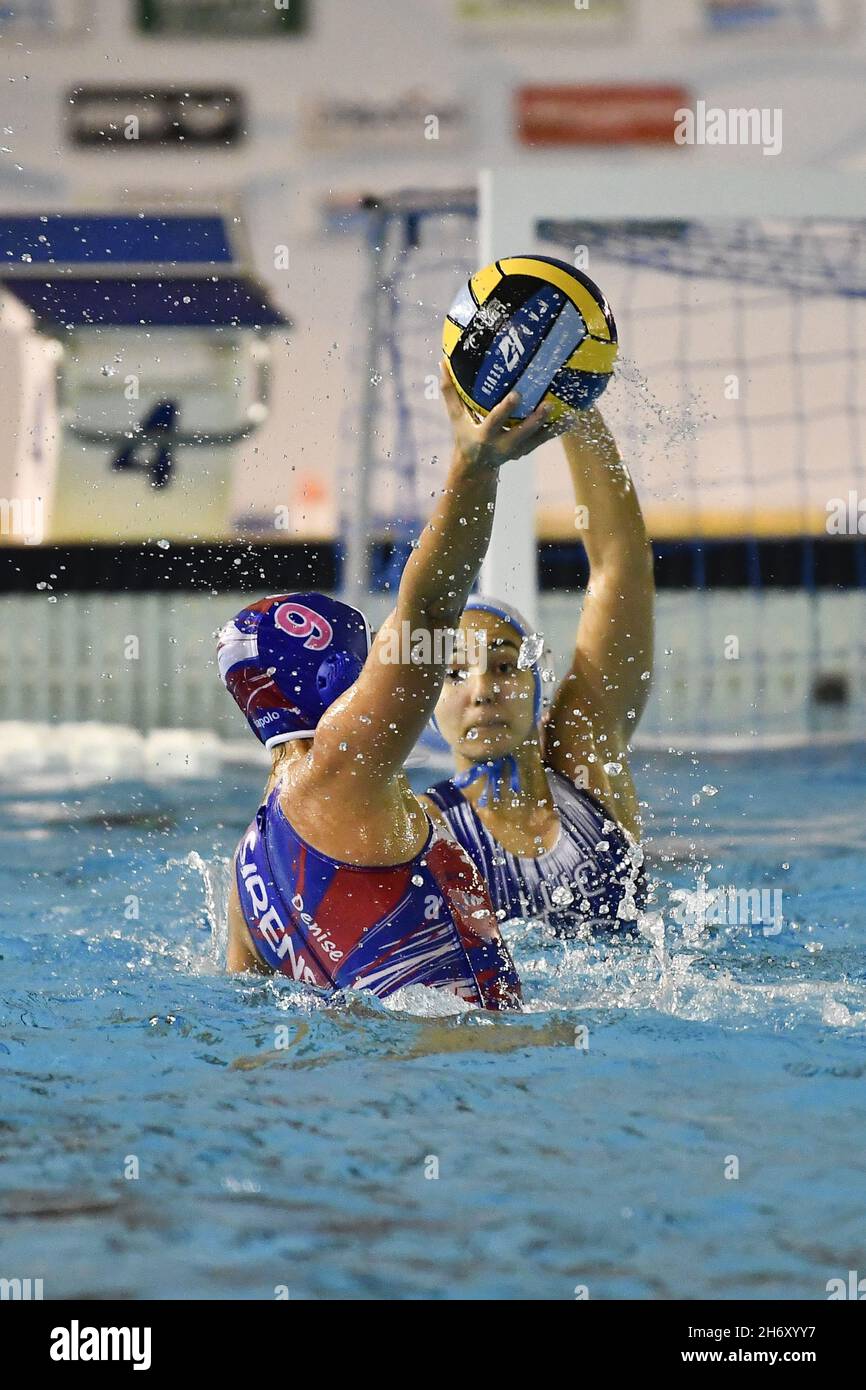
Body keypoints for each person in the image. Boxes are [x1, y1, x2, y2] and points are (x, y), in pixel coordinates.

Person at [220, 367, 555, 1008]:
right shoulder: (343, 762)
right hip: (484, 1069)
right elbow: (428, 611)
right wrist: (474, 468)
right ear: (336, 677)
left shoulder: (244, 879)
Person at [418, 406, 653, 935]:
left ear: (538, 682)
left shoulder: (584, 759)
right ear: (425, 700)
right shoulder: (420, 830)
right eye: (454, 674)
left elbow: (621, 567)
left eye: (504, 665)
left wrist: (576, 406)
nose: (482, 691)